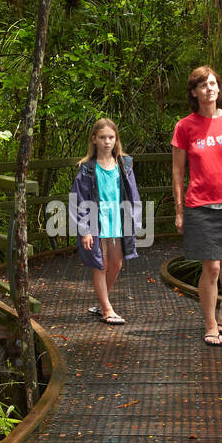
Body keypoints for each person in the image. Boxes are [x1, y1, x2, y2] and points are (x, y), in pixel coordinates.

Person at [171, 66, 222, 346]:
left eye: (213, 83)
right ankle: (209, 324)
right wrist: (179, 211)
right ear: (194, 92)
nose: (210, 88)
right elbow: (177, 171)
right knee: (213, 267)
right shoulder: (185, 126)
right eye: (203, 85)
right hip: (201, 206)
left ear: (219, 88)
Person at [71, 118, 141, 324]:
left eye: (111, 137)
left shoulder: (124, 165)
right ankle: (106, 309)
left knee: (116, 264)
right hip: (97, 222)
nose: (107, 142)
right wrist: (84, 230)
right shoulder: (86, 169)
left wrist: (135, 221)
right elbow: (78, 200)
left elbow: (133, 193)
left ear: (116, 139)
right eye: (102, 137)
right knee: (100, 265)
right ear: (94, 139)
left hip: (118, 220)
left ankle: (102, 301)